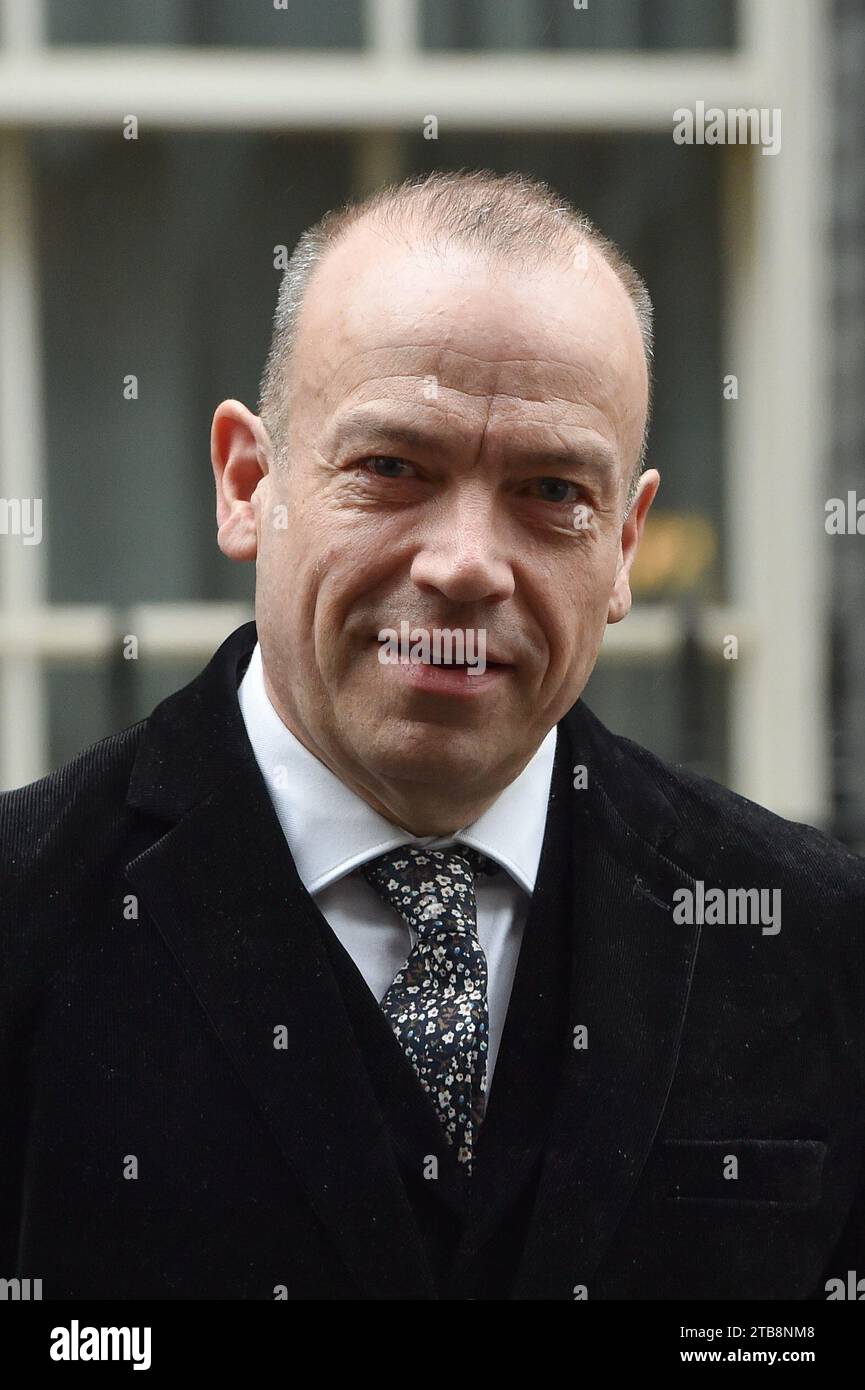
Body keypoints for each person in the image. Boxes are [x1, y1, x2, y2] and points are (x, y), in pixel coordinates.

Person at [2, 170, 863, 1301]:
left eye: (550, 489)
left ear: (622, 546)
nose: (465, 563)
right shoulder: (27, 917)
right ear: (248, 482)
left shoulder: (816, 945)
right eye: (393, 468)